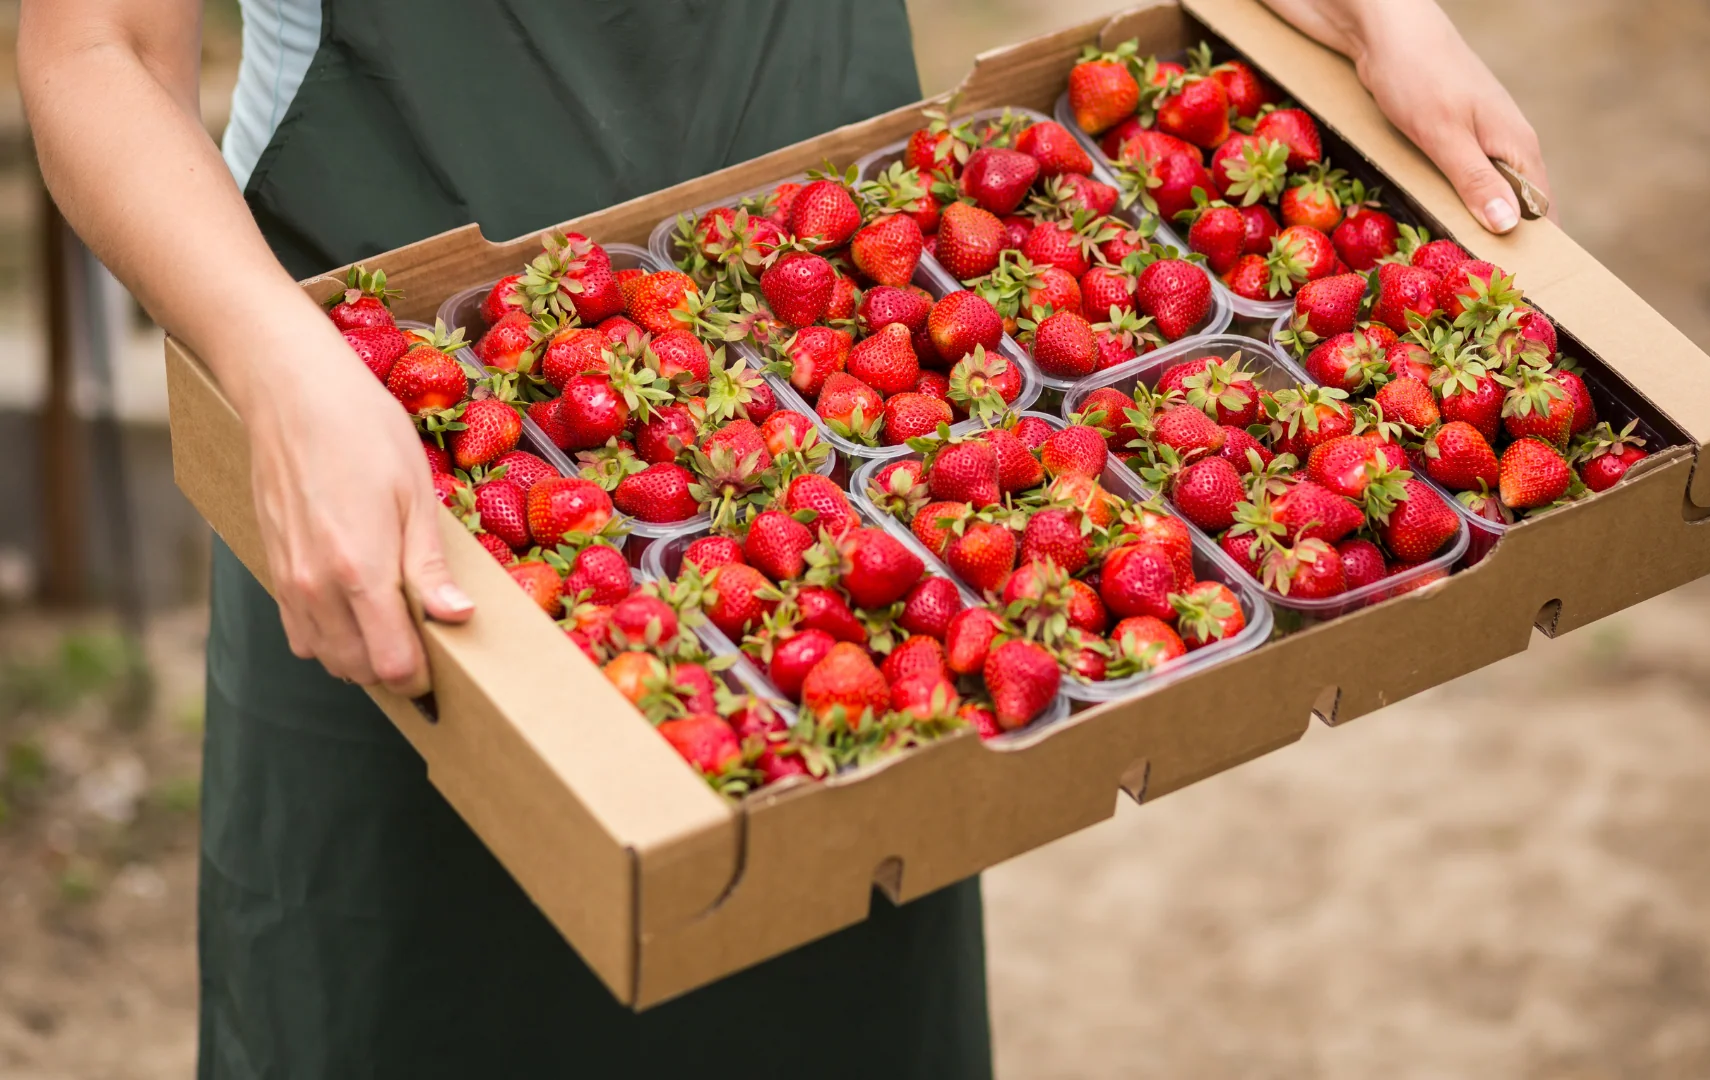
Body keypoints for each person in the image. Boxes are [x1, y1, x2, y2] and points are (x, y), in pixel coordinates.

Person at [18, 1, 1551, 1076]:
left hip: (848, 370)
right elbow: (92, 46)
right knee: (408, 1005)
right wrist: (279, 360)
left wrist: (1376, 6)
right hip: (391, 413)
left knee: (812, 993)